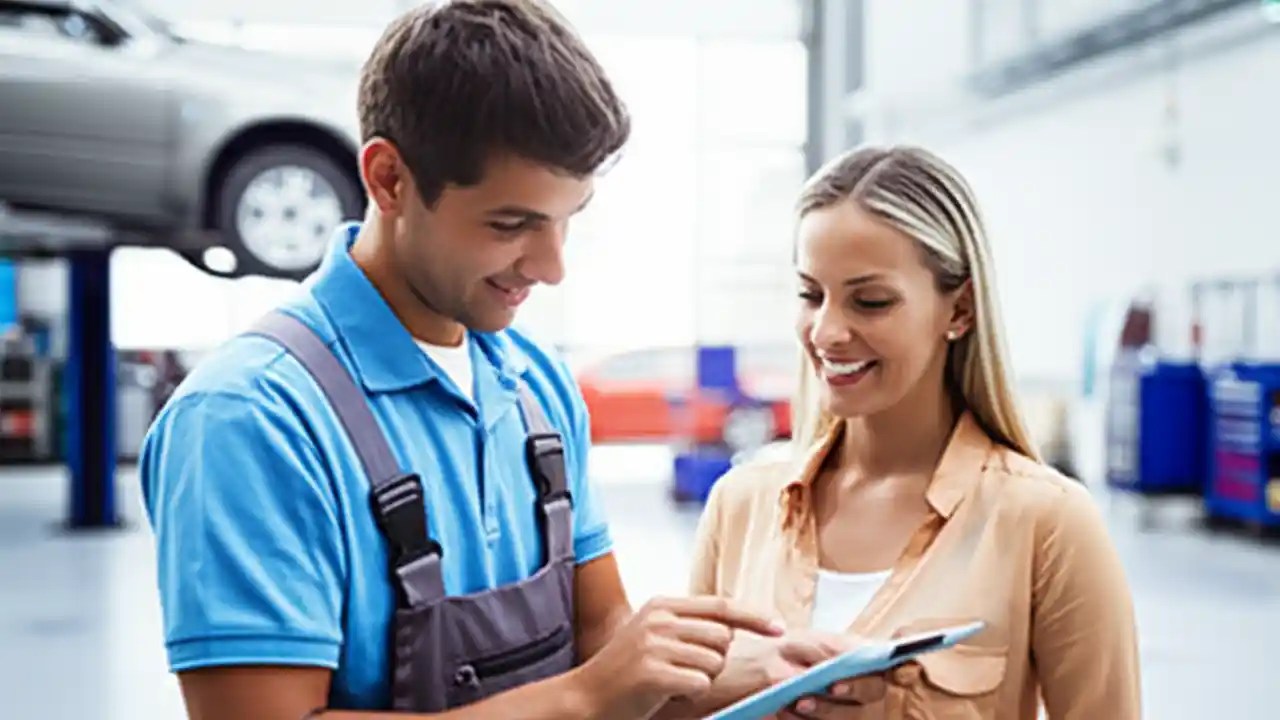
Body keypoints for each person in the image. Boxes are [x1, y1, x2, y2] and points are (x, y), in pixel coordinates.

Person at [138, 2, 851, 719]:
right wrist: (585, 698)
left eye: (568, 220)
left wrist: (740, 676)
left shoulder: (534, 386)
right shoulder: (250, 420)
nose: (550, 266)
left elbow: (599, 636)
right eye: (512, 225)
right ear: (388, 180)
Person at [686, 145, 1143, 719]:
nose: (826, 332)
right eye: (810, 295)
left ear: (960, 311)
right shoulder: (741, 504)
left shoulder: (1047, 523)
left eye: (870, 301)